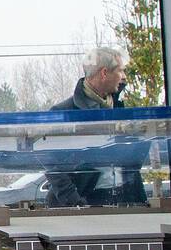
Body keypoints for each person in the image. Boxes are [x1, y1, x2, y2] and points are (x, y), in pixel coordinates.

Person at [45, 47, 148, 208]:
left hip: (126, 200)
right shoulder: (63, 112)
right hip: (84, 204)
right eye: (120, 71)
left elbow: (134, 161)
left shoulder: (122, 108)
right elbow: (51, 164)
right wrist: (75, 202)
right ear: (104, 73)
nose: (124, 77)